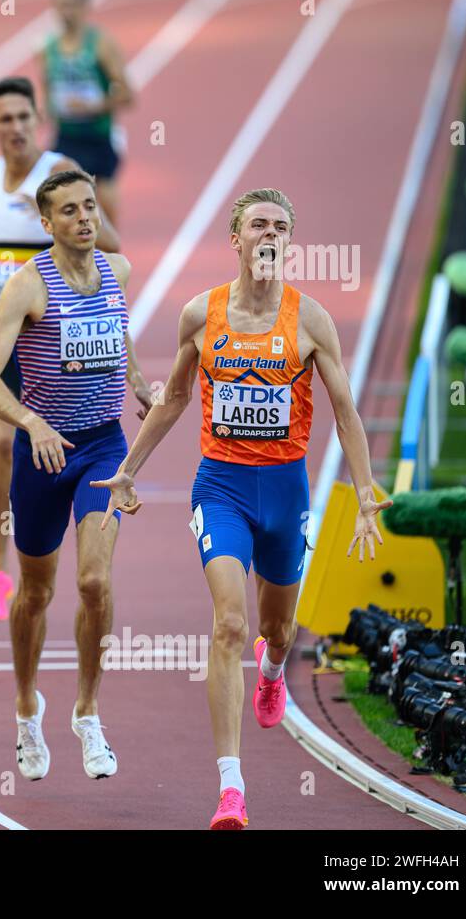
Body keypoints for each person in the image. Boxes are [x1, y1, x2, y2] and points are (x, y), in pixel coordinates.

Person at [91, 188, 392, 829]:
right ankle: (231, 788)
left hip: (285, 492)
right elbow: (174, 398)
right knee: (229, 622)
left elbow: (345, 411)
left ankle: (273, 668)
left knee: (277, 628)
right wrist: (127, 471)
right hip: (221, 488)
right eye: (258, 224)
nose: (269, 234)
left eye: (280, 225)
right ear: (236, 238)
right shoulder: (201, 314)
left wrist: (366, 494)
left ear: (289, 241)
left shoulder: (310, 320)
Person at [0, 170, 152, 784]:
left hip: (103, 447)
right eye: (69, 210)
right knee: (37, 593)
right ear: (46, 223)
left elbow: (119, 331)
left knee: (95, 582)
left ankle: (88, 711)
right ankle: (27, 708)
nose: (84, 218)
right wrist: (33, 423)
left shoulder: (117, 270)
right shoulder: (27, 286)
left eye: (90, 206)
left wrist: (138, 383)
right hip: (43, 455)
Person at [0, 75, 120, 621]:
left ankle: (53, 548)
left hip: (46, 335)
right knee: (2, 448)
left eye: (24, 117)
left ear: (38, 118)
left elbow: (110, 242)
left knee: (41, 440)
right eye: (5, 118)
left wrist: (58, 233)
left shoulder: (60, 173)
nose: (16, 127)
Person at [37, 0, 134, 228]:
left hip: (98, 137)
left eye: (72, 4)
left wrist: (94, 106)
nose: (66, 11)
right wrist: (43, 112)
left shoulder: (100, 44)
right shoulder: (48, 48)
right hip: (66, 137)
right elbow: (47, 92)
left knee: (105, 216)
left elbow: (128, 95)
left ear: (85, 5)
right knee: (61, 208)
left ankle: (108, 251)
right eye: (60, 4)